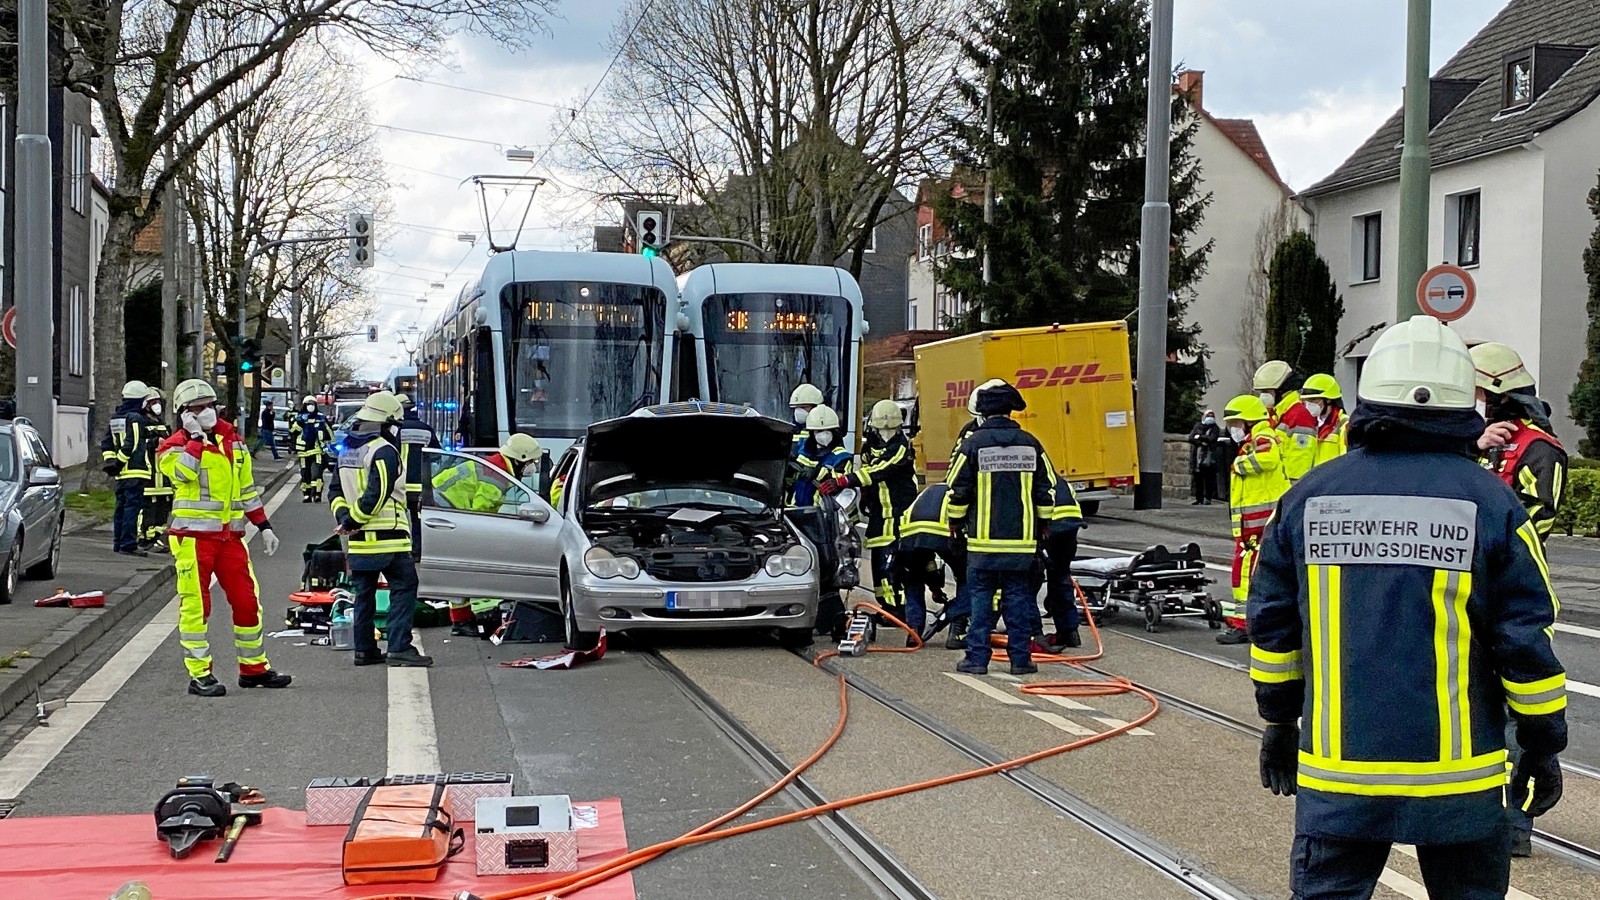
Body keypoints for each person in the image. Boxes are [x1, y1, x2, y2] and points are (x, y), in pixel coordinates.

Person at [1248, 315, 1567, 898]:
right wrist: (1543, 744)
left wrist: (1278, 721)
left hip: (1339, 776)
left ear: (1368, 394)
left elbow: (1273, 630)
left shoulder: (1306, 499)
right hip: (1459, 783)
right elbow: (1524, 641)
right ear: (1463, 403)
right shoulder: (1492, 504)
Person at [1471, 341, 1569, 858]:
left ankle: (1514, 825)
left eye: (1479, 391)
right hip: (1470, 595)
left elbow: (1535, 524)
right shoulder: (1482, 442)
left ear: (1500, 394)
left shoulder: (1539, 450)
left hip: (1513, 598)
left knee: (1516, 715)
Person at [157, 379, 290, 697]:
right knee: (196, 606)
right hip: (193, 539)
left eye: (210, 405)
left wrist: (264, 524)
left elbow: (246, 490)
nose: (206, 412)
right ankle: (199, 674)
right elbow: (182, 475)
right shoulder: (172, 446)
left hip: (230, 538)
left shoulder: (234, 442)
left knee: (247, 601)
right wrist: (196, 439)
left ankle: (253, 668)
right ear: (183, 414)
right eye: (197, 408)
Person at [946, 380, 1056, 676]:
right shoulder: (1031, 443)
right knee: (1018, 600)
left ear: (982, 413)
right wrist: (1043, 524)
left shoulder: (971, 445)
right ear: (1010, 411)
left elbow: (956, 490)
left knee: (980, 601)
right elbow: (1048, 489)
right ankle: (1021, 660)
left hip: (982, 544)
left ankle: (977, 659)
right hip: (1020, 543)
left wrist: (954, 523)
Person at [331, 391, 432, 668]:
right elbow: (378, 493)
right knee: (405, 587)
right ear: (388, 423)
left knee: (364, 595)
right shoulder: (383, 450)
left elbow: (336, 492)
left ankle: (364, 650)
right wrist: (354, 520)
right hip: (389, 538)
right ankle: (400, 647)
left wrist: (345, 519)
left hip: (359, 541)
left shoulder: (348, 450)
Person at [432, 433, 543, 635]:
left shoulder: (495, 466)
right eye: (532, 461)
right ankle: (461, 622)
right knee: (462, 571)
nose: (533, 466)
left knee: (460, 572)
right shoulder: (497, 475)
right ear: (521, 458)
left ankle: (462, 620)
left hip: (444, 511)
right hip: (447, 514)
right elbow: (482, 513)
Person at [820, 400, 916, 621]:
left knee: (890, 563)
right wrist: (864, 496)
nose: (886, 433)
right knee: (879, 565)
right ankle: (888, 607)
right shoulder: (869, 446)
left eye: (890, 429)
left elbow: (878, 471)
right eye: (883, 429)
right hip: (879, 513)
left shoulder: (901, 447)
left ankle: (896, 609)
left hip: (898, 512)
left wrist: (843, 481)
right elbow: (867, 471)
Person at [1219, 394, 1288, 645]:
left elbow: (1267, 460)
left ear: (1248, 420)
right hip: (1254, 523)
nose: (1233, 429)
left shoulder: (1263, 435)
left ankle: (1244, 624)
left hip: (1257, 523)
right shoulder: (1255, 437)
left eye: (1236, 423)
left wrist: (1239, 464)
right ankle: (1246, 621)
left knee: (1245, 574)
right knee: (1249, 572)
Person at [103, 380, 153, 557]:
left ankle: (118, 542)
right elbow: (132, 444)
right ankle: (128, 544)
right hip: (135, 471)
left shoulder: (116, 418)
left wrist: (111, 463)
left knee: (120, 508)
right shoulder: (137, 418)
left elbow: (107, 443)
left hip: (121, 475)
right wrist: (120, 462)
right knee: (132, 508)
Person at [395, 394, 440, 563]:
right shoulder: (426, 429)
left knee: (397, 518)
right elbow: (436, 455)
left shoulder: (396, 430)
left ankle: (401, 551)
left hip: (400, 484)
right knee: (418, 519)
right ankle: (418, 551)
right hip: (422, 484)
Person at [1041, 478, 1085, 649]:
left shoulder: (1031, 477)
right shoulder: (1059, 480)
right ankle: (1070, 632)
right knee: (1060, 577)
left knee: (1027, 581)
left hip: (1050, 526)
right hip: (1071, 527)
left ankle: (1033, 633)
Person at [789, 405, 851, 508]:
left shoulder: (842, 457)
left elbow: (838, 484)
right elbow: (790, 481)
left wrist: (817, 472)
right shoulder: (803, 452)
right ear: (812, 432)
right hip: (795, 510)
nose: (823, 435)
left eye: (827, 431)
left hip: (822, 515)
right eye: (819, 431)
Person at [137, 387, 173, 553]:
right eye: (153, 403)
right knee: (148, 510)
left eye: (158, 402)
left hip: (164, 477)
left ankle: (157, 537)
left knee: (162, 509)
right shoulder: (141, 423)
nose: (157, 405)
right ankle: (145, 539)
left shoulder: (163, 425)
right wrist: (153, 442)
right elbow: (138, 445)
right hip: (149, 476)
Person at [290, 395, 334, 503]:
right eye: (308, 404)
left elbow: (329, 433)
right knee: (305, 474)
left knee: (317, 473)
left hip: (317, 451)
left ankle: (317, 494)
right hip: (303, 452)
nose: (310, 406)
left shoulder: (321, 418)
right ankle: (307, 494)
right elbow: (293, 432)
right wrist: (300, 423)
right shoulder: (298, 417)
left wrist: (329, 443)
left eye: (312, 404)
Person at [785, 383, 825, 498]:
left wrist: (815, 470)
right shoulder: (790, 431)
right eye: (796, 408)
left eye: (803, 407)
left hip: (814, 492)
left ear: (816, 407)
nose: (798, 412)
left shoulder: (824, 434)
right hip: (794, 494)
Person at [1253, 360, 1302, 428]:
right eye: (1262, 391)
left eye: (1266, 391)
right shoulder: (1277, 412)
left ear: (1281, 391)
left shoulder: (1296, 414)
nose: (1263, 396)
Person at [1188, 409, 1221, 505]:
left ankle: (1208, 498)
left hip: (1209, 456)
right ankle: (1199, 499)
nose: (1210, 418)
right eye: (1208, 416)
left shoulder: (1215, 428)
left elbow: (1212, 439)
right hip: (1198, 455)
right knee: (1198, 479)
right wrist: (1200, 441)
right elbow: (1191, 438)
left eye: (1212, 416)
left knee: (1209, 478)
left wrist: (1200, 437)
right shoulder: (1198, 426)